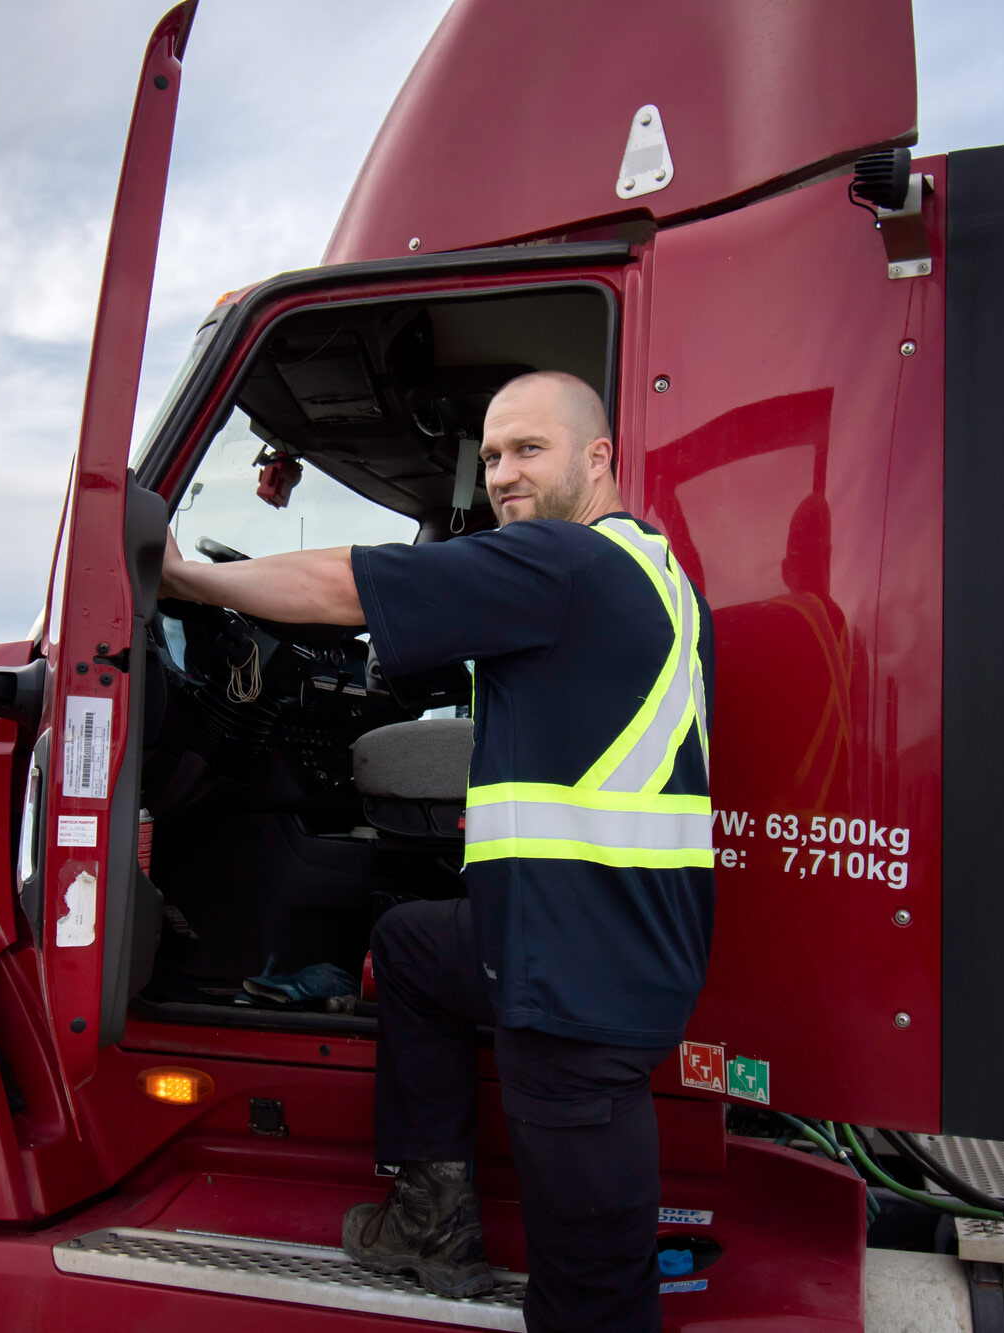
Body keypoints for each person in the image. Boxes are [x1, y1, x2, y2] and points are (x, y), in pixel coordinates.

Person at [158, 370, 714, 1333]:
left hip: (576, 987)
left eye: (528, 449)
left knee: (591, 1294)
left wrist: (185, 580)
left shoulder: (561, 563)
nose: (503, 473)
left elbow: (345, 585)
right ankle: (433, 1215)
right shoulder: (651, 570)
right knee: (413, 946)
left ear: (599, 457)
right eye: (493, 455)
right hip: (603, 941)